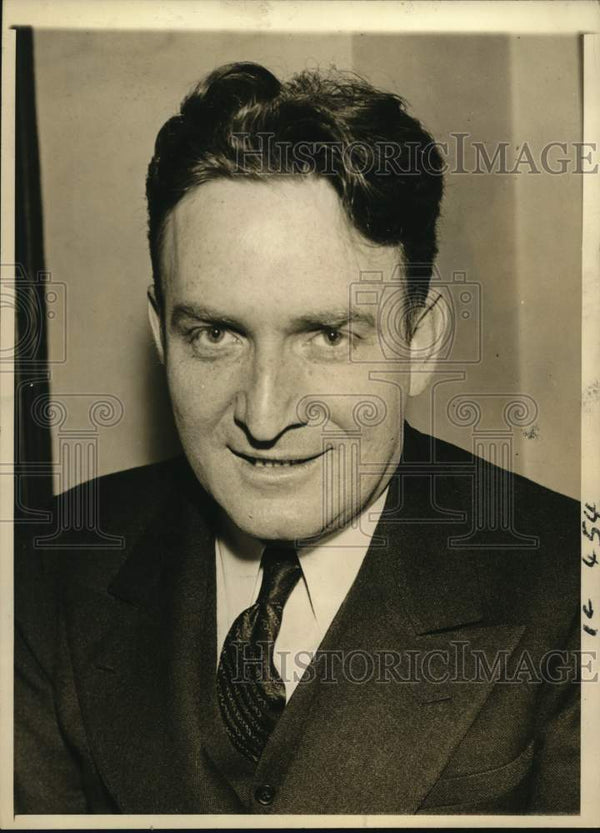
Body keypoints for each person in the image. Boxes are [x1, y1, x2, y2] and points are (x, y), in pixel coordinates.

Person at [14, 62, 579, 815]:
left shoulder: (571, 585)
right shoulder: (43, 570)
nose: (264, 413)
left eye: (328, 336)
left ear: (420, 342)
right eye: (215, 334)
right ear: (160, 335)